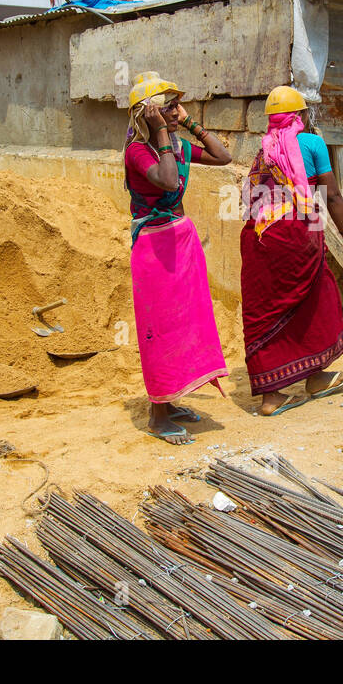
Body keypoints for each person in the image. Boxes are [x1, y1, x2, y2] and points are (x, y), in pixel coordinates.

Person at [124, 71, 232, 445]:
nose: (174, 111)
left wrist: (189, 123)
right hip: (154, 250)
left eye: (174, 107)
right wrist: (162, 134)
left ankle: (172, 402)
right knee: (160, 330)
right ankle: (157, 414)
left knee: (188, 323)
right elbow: (168, 182)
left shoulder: (177, 144)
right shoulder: (138, 151)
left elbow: (224, 156)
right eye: (167, 107)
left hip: (180, 243)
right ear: (147, 114)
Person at [241, 86, 343, 416]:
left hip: (258, 238)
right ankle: (317, 377)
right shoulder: (312, 144)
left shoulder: (263, 151)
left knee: (266, 309)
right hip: (297, 234)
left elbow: (249, 201)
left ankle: (272, 396)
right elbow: (332, 195)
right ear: (302, 117)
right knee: (317, 297)